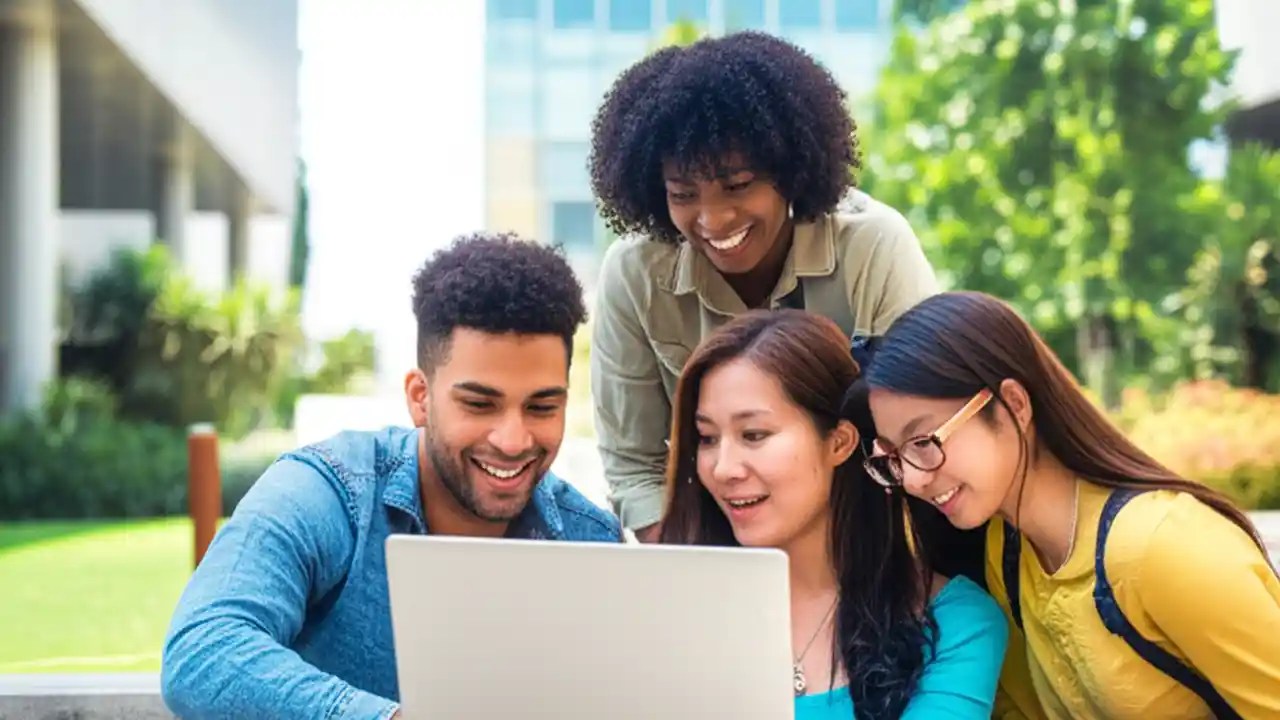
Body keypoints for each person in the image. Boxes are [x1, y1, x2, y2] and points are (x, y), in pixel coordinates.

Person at [161, 233, 622, 719]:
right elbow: (202, 650)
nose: (512, 440)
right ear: (420, 397)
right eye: (479, 404)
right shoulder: (329, 491)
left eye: (541, 407)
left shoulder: (590, 541)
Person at [860, 290, 1280, 719]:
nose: (912, 479)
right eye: (893, 457)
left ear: (1014, 405)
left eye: (923, 442)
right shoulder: (1008, 552)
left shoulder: (1164, 547)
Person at [587, 31, 939, 542]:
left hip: (871, 539)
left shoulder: (872, 247)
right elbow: (636, 470)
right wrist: (708, 576)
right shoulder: (635, 274)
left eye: (738, 185)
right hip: (716, 545)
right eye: (683, 194)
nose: (713, 219)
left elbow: (924, 433)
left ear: (790, 172)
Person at [660, 309, 1007, 720]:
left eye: (753, 435)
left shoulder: (956, 625)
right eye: (707, 438)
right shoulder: (668, 613)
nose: (722, 468)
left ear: (840, 443)